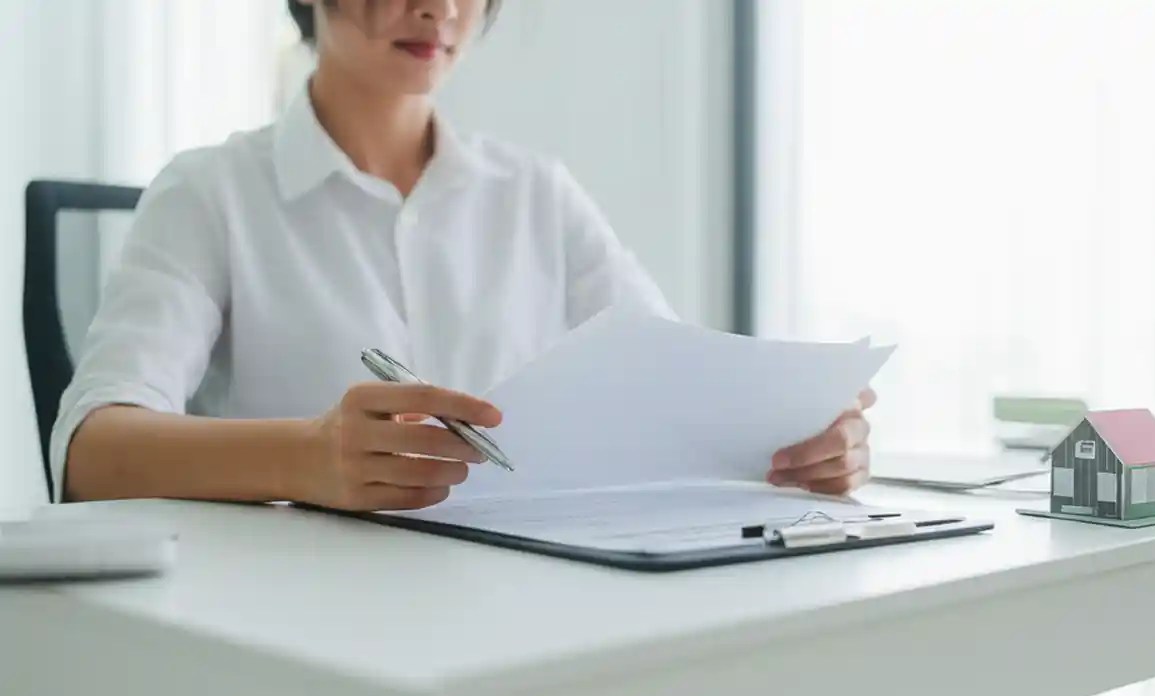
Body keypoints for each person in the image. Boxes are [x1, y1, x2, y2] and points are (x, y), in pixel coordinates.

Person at [52, 0, 875, 511]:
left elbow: (672, 379)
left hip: (516, 600)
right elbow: (92, 452)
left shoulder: (535, 191)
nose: (440, 6)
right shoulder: (211, 190)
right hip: (300, 614)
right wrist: (308, 456)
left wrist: (792, 441)